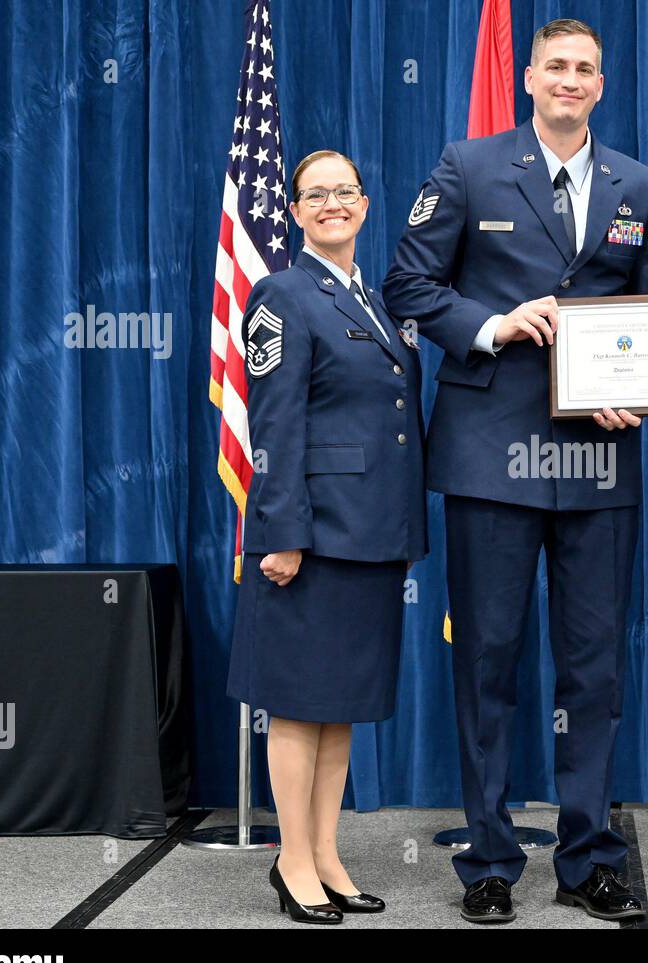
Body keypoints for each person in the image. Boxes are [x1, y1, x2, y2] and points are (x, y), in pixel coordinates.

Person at [383, 18, 648, 924]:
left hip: (598, 459)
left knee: (595, 669)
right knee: (490, 664)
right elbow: (408, 287)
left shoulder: (643, 186)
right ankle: (490, 860)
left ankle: (587, 856)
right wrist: (497, 325)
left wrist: (645, 389)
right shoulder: (466, 166)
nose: (571, 80)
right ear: (531, 79)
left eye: (587, 68)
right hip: (491, 455)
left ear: (600, 83)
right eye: (557, 66)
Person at [227, 150, 427, 924]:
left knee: (338, 706)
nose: (333, 204)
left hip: (370, 532)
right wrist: (280, 533)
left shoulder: (371, 299)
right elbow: (273, 423)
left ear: (366, 204)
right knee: (296, 706)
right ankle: (293, 864)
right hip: (310, 536)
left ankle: (328, 853)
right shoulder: (283, 295)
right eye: (318, 195)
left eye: (346, 191)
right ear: (298, 211)